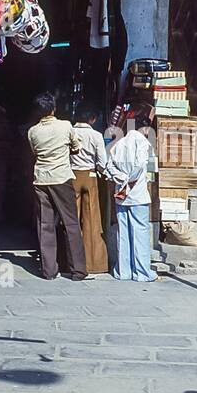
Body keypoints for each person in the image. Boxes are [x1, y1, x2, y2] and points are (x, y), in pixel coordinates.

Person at [27, 93, 87, 281]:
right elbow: (76, 147)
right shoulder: (66, 126)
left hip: (41, 179)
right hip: (61, 177)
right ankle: (78, 270)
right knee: (71, 223)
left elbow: (34, 152)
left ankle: (49, 270)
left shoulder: (33, 131)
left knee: (45, 225)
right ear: (54, 108)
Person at [106, 112, 157, 282]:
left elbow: (109, 166)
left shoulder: (119, 143)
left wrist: (121, 179)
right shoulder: (142, 142)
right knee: (140, 233)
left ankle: (123, 271)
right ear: (145, 128)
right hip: (137, 194)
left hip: (121, 194)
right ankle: (142, 272)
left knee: (123, 233)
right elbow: (140, 166)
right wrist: (128, 182)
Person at [71, 104, 109, 276]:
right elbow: (102, 162)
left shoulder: (70, 132)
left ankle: (71, 261)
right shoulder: (96, 135)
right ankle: (93, 263)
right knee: (92, 221)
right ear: (92, 119)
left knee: (72, 220)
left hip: (72, 175)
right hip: (90, 176)